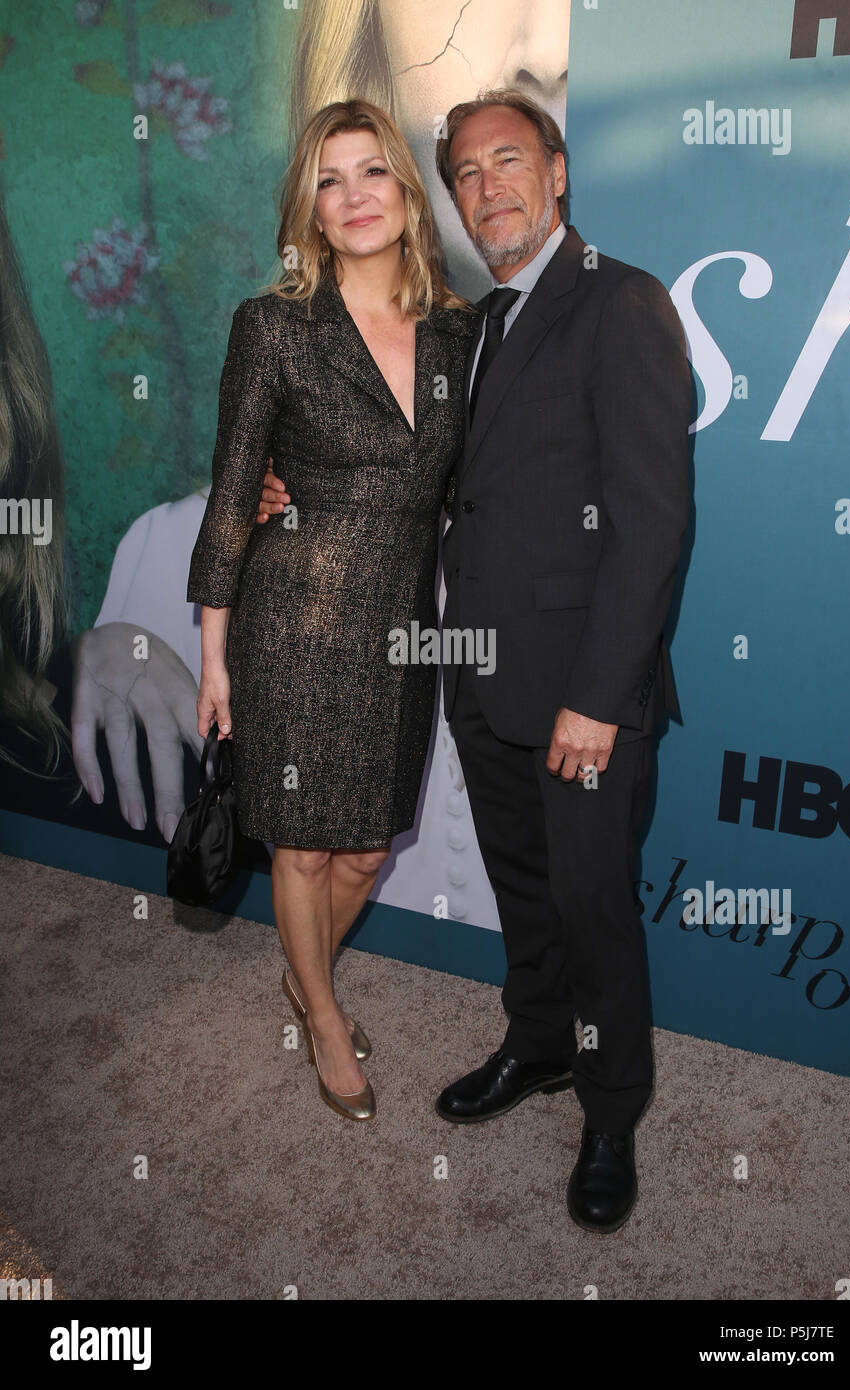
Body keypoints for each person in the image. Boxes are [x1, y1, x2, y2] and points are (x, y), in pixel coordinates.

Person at [260, 88, 691, 1228]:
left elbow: (651, 525)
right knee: (528, 895)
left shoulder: (621, 302)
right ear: (445, 197)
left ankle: (608, 1110)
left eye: (508, 160)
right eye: (464, 172)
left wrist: (598, 700)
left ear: (555, 172)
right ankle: (539, 1043)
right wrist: (284, 486)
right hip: (482, 679)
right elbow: (421, 475)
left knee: (595, 908)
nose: (487, 185)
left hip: (583, 695)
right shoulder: (475, 322)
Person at [186, 98, 475, 1123]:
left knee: (363, 848)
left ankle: (301, 972)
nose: (353, 197)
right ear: (307, 206)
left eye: (372, 172)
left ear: (404, 190)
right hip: (290, 623)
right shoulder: (272, 326)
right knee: (301, 847)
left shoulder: (456, 330)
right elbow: (232, 495)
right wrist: (213, 657)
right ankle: (317, 1008)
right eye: (328, 178)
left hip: (400, 630)